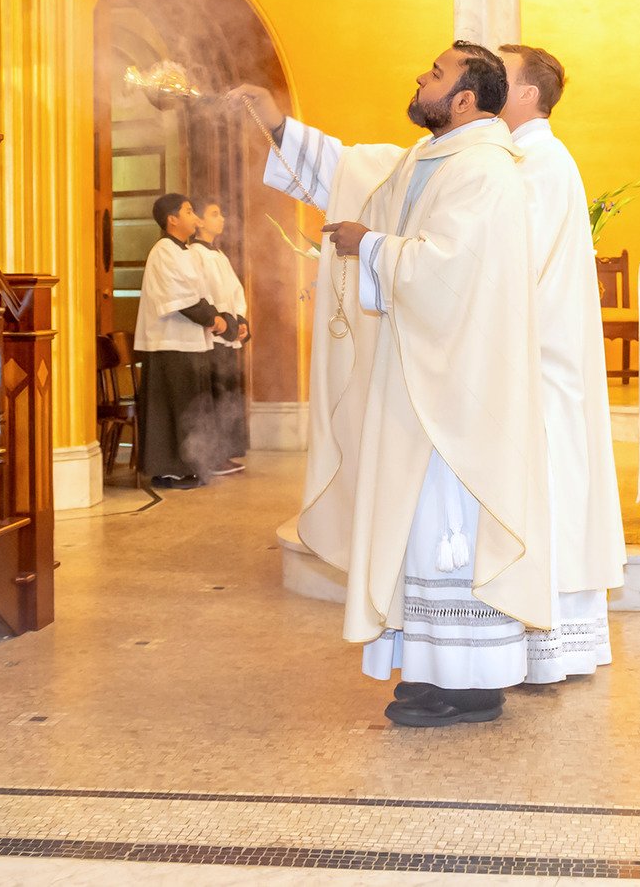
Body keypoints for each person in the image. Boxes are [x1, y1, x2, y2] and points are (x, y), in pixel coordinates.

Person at [231, 44, 550, 729]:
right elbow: (352, 172)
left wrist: (369, 245)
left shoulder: (487, 171)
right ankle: (433, 672)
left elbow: (451, 270)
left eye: (436, 73)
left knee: (448, 528)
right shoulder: (427, 159)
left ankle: (475, 686)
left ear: (465, 99)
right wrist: (277, 125)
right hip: (416, 382)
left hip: (460, 395)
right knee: (417, 529)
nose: (421, 77)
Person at [495, 43, 624, 682]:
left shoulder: (537, 162)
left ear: (526, 94)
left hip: (542, 364)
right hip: (539, 359)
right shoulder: (525, 157)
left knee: (547, 496)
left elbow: (509, 259)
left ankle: (543, 645)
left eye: (500, 74)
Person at [133, 193, 231, 489]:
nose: (194, 217)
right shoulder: (163, 251)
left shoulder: (186, 251)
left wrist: (219, 317)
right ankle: (168, 470)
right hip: (169, 343)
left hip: (190, 342)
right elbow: (179, 296)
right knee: (171, 408)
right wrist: (212, 319)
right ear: (172, 219)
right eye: (188, 211)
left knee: (190, 406)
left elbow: (202, 292)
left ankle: (191, 465)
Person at [192, 198, 250, 475]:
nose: (222, 218)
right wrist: (223, 322)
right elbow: (203, 295)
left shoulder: (219, 255)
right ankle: (213, 456)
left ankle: (226, 452)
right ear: (199, 221)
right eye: (214, 213)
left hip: (228, 334)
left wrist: (240, 320)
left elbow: (235, 292)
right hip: (212, 336)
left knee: (228, 395)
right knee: (214, 396)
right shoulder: (195, 254)